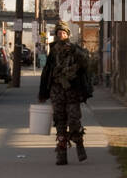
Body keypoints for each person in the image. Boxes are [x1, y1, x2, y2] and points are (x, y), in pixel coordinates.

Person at [38, 22, 91, 165]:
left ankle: (79, 144)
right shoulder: (53, 52)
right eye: (59, 33)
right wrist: (43, 93)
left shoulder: (75, 50)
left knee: (74, 120)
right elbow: (46, 72)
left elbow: (86, 62)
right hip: (57, 91)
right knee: (60, 121)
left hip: (72, 91)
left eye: (63, 33)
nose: (61, 35)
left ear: (68, 35)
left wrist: (74, 50)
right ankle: (61, 153)